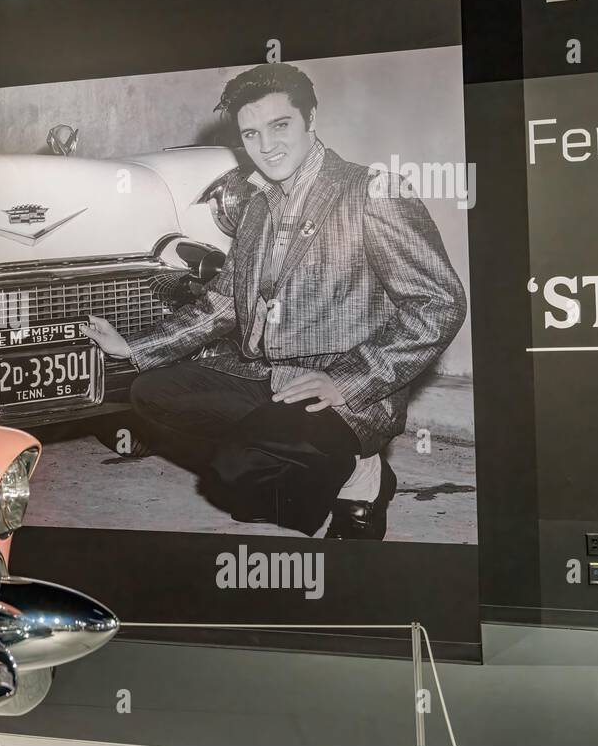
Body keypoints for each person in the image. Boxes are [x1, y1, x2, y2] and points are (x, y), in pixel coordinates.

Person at [84, 63, 466, 539]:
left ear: (309, 120)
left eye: (279, 126)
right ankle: (337, 464)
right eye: (250, 133)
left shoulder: (371, 191)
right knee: (152, 392)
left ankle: (358, 475)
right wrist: (136, 347)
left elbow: (438, 303)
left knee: (239, 473)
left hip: (342, 390)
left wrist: (345, 382)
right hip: (268, 376)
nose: (266, 146)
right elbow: (224, 304)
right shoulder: (257, 205)